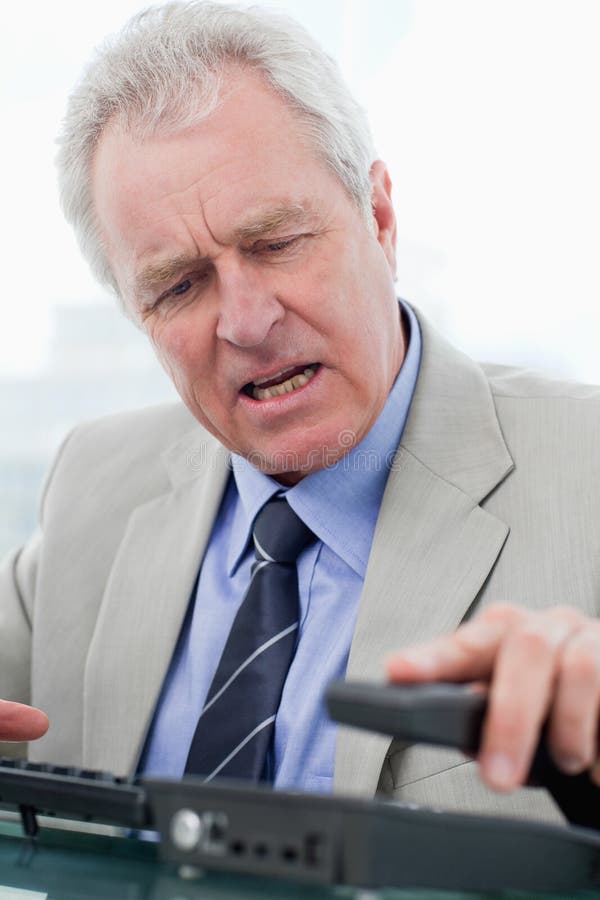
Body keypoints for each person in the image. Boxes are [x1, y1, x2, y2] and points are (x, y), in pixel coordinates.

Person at [2, 0, 600, 824]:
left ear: (380, 220)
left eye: (277, 243)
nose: (247, 322)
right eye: (179, 286)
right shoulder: (95, 486)